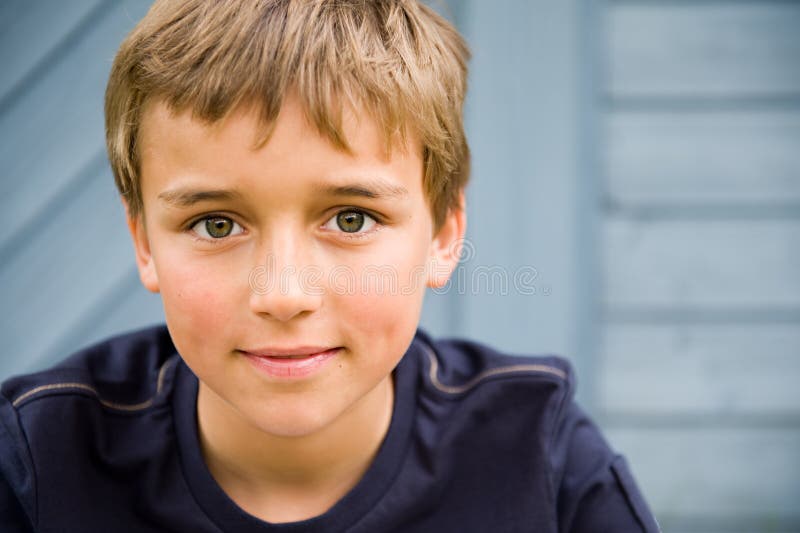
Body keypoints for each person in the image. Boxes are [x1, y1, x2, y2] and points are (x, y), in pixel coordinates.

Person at [0, 1, 660, 531]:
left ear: (444, 232)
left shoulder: (540, 463)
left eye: (350, 218)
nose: (284, 294)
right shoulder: (40, 461)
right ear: (144, 241)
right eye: (216, 223)